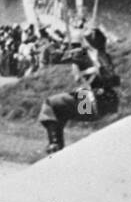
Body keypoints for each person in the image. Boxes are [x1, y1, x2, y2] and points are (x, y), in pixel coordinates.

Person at [37, 25, 120, 155]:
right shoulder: (105, 56)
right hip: (110, 102)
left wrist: (49, 44)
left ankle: (55, 144)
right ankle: (58, 146)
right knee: (62, 110)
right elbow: (114, 80)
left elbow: (53, 57)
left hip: (89, 102)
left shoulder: (82, 54)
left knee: (50, 105)